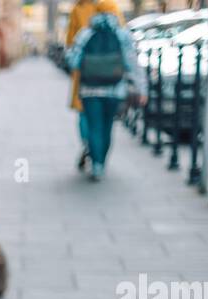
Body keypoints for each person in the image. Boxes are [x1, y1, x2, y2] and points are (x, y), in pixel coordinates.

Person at [66, 0, 146, 181]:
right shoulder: (121, 34)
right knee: (107, 127)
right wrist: (142, 89)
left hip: (89, 90)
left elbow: (72, 60)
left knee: (93, 126)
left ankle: (96, 164)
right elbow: (132, 64)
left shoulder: (85, 33)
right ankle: (101, 160)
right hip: (114, 90)